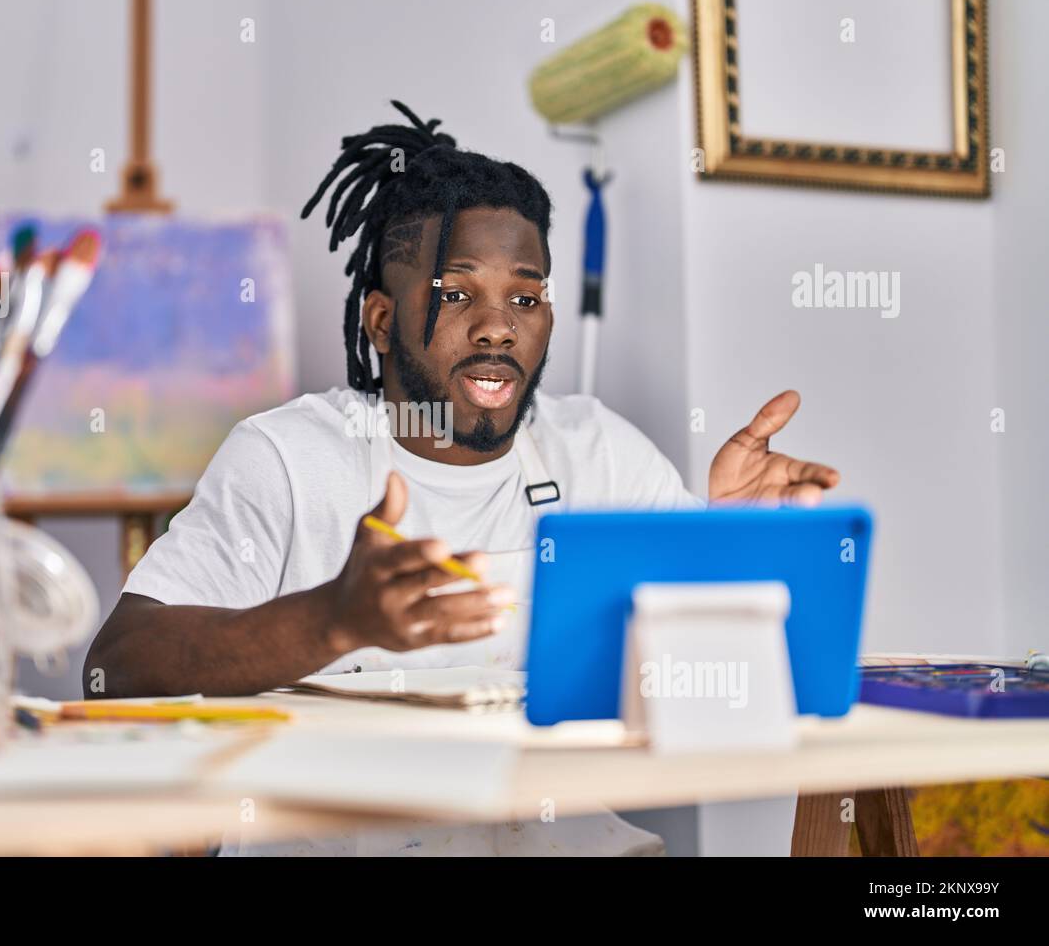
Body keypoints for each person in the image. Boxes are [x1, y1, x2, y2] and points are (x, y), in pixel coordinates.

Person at [86, 101, 840, 855]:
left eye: (525, 296)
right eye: (455, 293)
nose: (498, 326)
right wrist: (331, 621)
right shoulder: (288, 458)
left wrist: (735, 542)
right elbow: (115, 669)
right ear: (380, 322)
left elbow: (715, 686)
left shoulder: (598, 452)